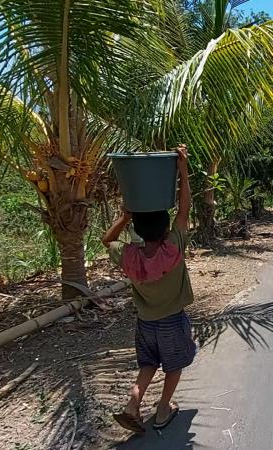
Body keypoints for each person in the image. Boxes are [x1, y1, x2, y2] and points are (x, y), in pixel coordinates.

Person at [101, 145, 195, 433]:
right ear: (166, 228)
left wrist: (125, 217)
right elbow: (184, 209)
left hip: (145, 323)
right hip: (171, 321)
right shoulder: (173, 247)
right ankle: (164, 408)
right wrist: (182, 169)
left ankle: (133, 404)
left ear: (138, 230)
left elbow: (107, 240)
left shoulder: (129, 256)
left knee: (149, 363)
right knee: (173, 366)